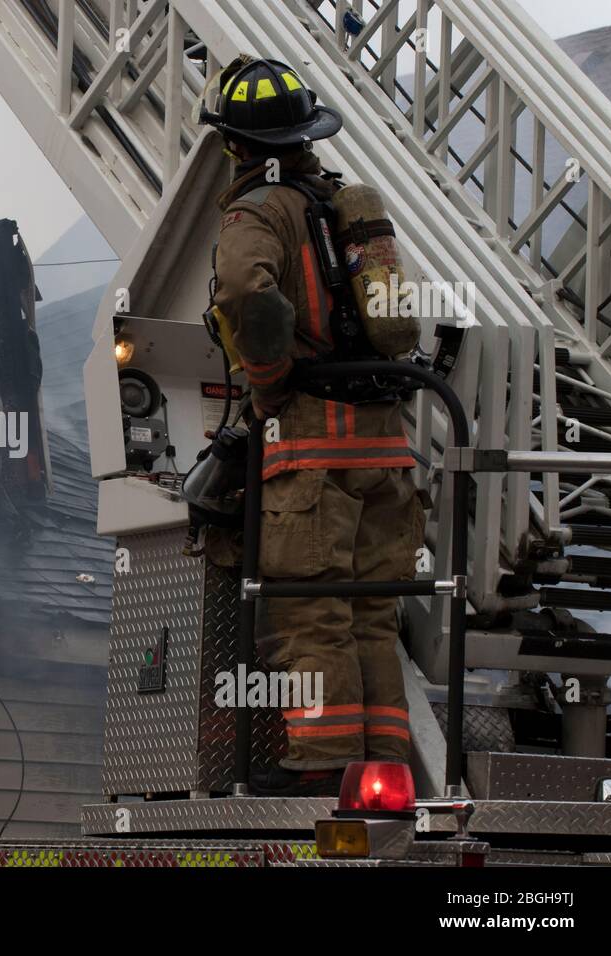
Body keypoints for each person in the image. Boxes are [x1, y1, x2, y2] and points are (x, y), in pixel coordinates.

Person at [203, 56, 425, 797]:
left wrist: (267, 387)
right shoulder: (344, 203)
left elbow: (242, 292)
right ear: (307, 133)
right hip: (386, 448)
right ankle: (383, 768)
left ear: (233, 143)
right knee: (372, 613)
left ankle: (325, 763)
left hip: (312, 447)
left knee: (311, 609)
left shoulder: (257, 211)